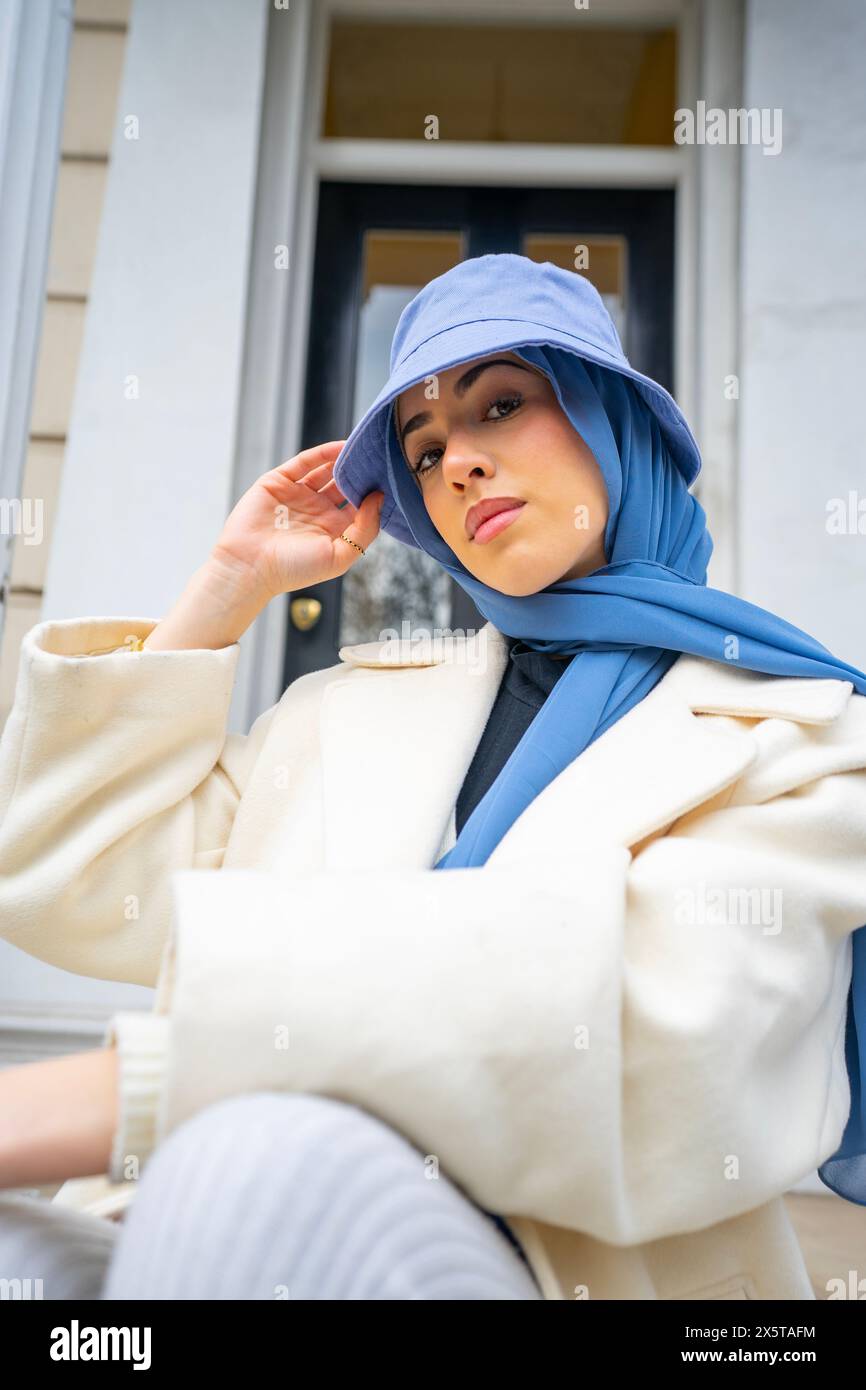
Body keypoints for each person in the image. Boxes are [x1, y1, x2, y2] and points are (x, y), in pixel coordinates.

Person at [1, 253, 865, 1301]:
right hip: (183, 1216)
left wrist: (139, 1089)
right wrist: (228, 588)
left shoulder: (799, 736)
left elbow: (666, 1042)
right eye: (421, 450)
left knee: (258, 1173)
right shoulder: (345, 710)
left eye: (498, 404)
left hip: (546, 1265)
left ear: (607, 421)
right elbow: (74, 874)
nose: (454, 462)